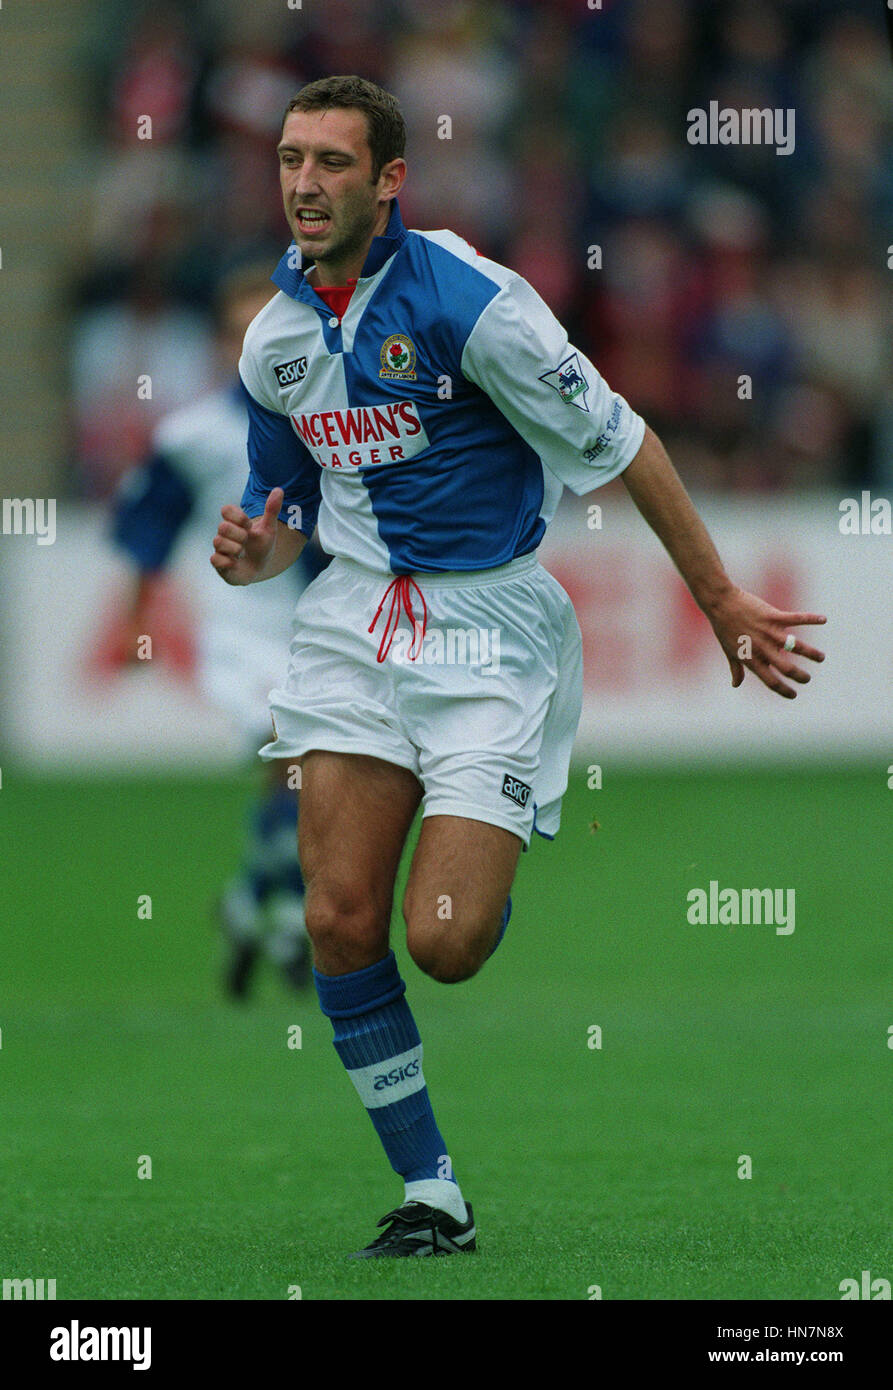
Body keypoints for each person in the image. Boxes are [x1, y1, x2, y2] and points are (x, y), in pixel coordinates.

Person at [211, 76, 826, 1256]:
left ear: (389, 180)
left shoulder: (473, 304)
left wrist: (716, 597)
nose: (303, 183)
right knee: (340, 919)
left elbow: (622, 438)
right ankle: (431, 1191)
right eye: (291, 159)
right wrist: (251, 547)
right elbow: (277, 497)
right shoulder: (275, 335)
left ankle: (479, 856)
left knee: (442, 937)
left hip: (488, 628)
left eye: (333, 163)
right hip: (350, 620)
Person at [111, 265, 326, 999]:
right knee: (298, 761)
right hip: (238, 636)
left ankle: (245, 904)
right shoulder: (195, 433)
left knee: (313, 774)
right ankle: (295, 913)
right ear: (220, 344)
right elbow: (147, 529)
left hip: (326, 632)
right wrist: (138, 621)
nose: (251, 344)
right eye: (237, 332)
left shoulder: (326, 418)